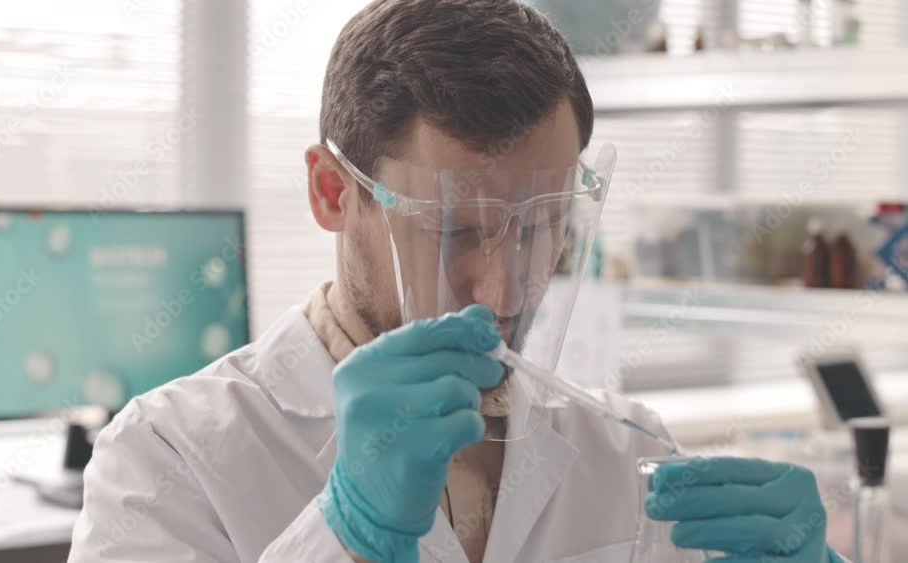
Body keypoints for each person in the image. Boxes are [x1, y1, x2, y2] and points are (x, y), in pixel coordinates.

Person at [69, 1, 849, 562]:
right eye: (456, 230)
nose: (504, 292)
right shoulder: (168, 456)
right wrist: (351, 533)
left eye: (542, 226)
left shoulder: (625, 452)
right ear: (331, 193)